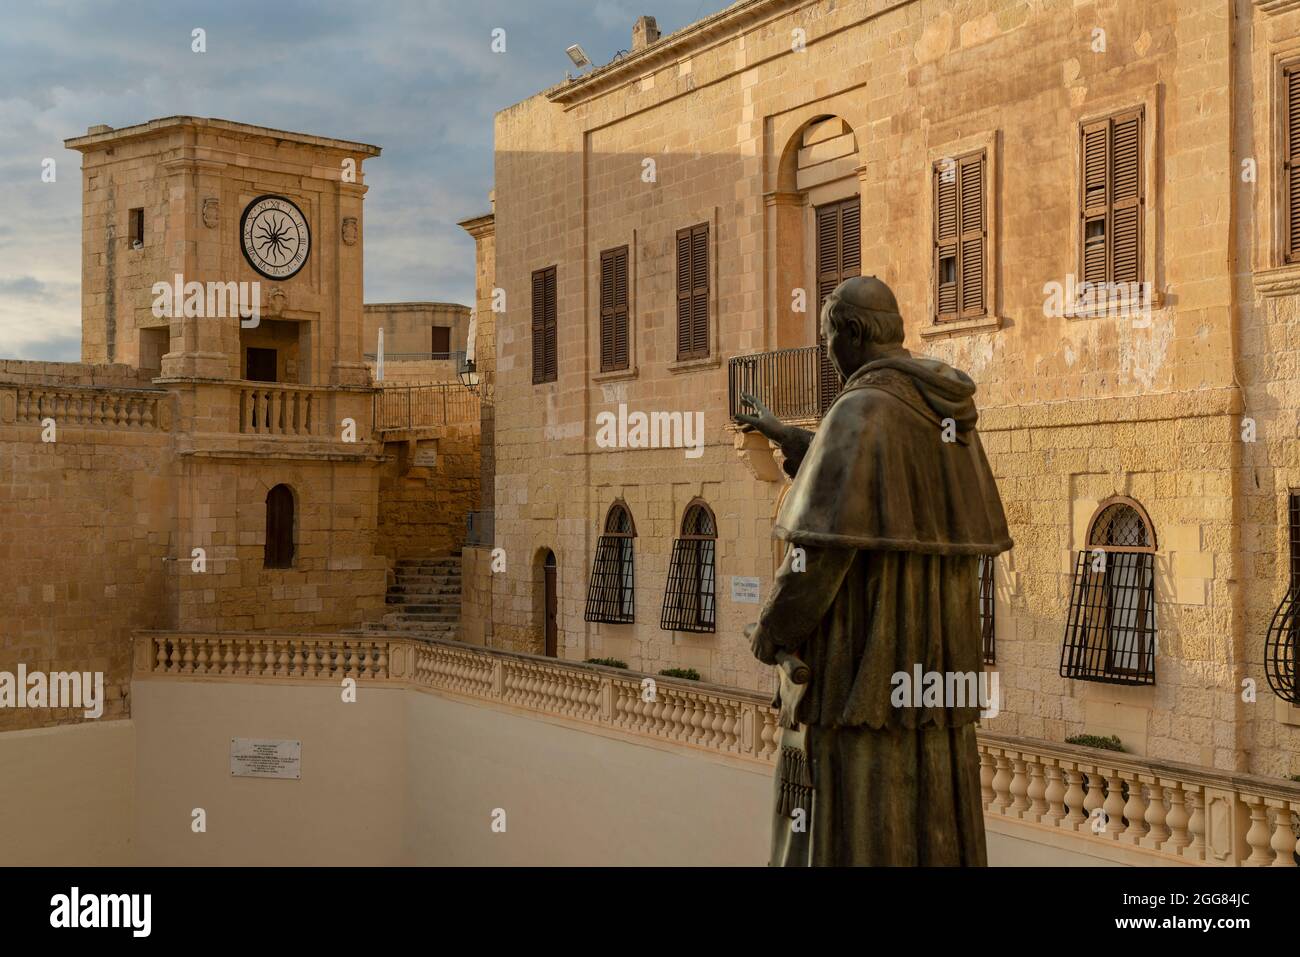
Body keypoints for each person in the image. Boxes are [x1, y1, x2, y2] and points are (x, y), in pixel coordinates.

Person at [736, 275, 1012, 866]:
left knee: (859, 820)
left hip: (863, 675)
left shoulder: (860, 410)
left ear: (853, 333)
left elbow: (819, 559)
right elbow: (877, 491)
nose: (829, 352)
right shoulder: (944, 414)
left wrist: (771, 633)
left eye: (829, 336)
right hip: (935, 683)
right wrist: (791, 438)